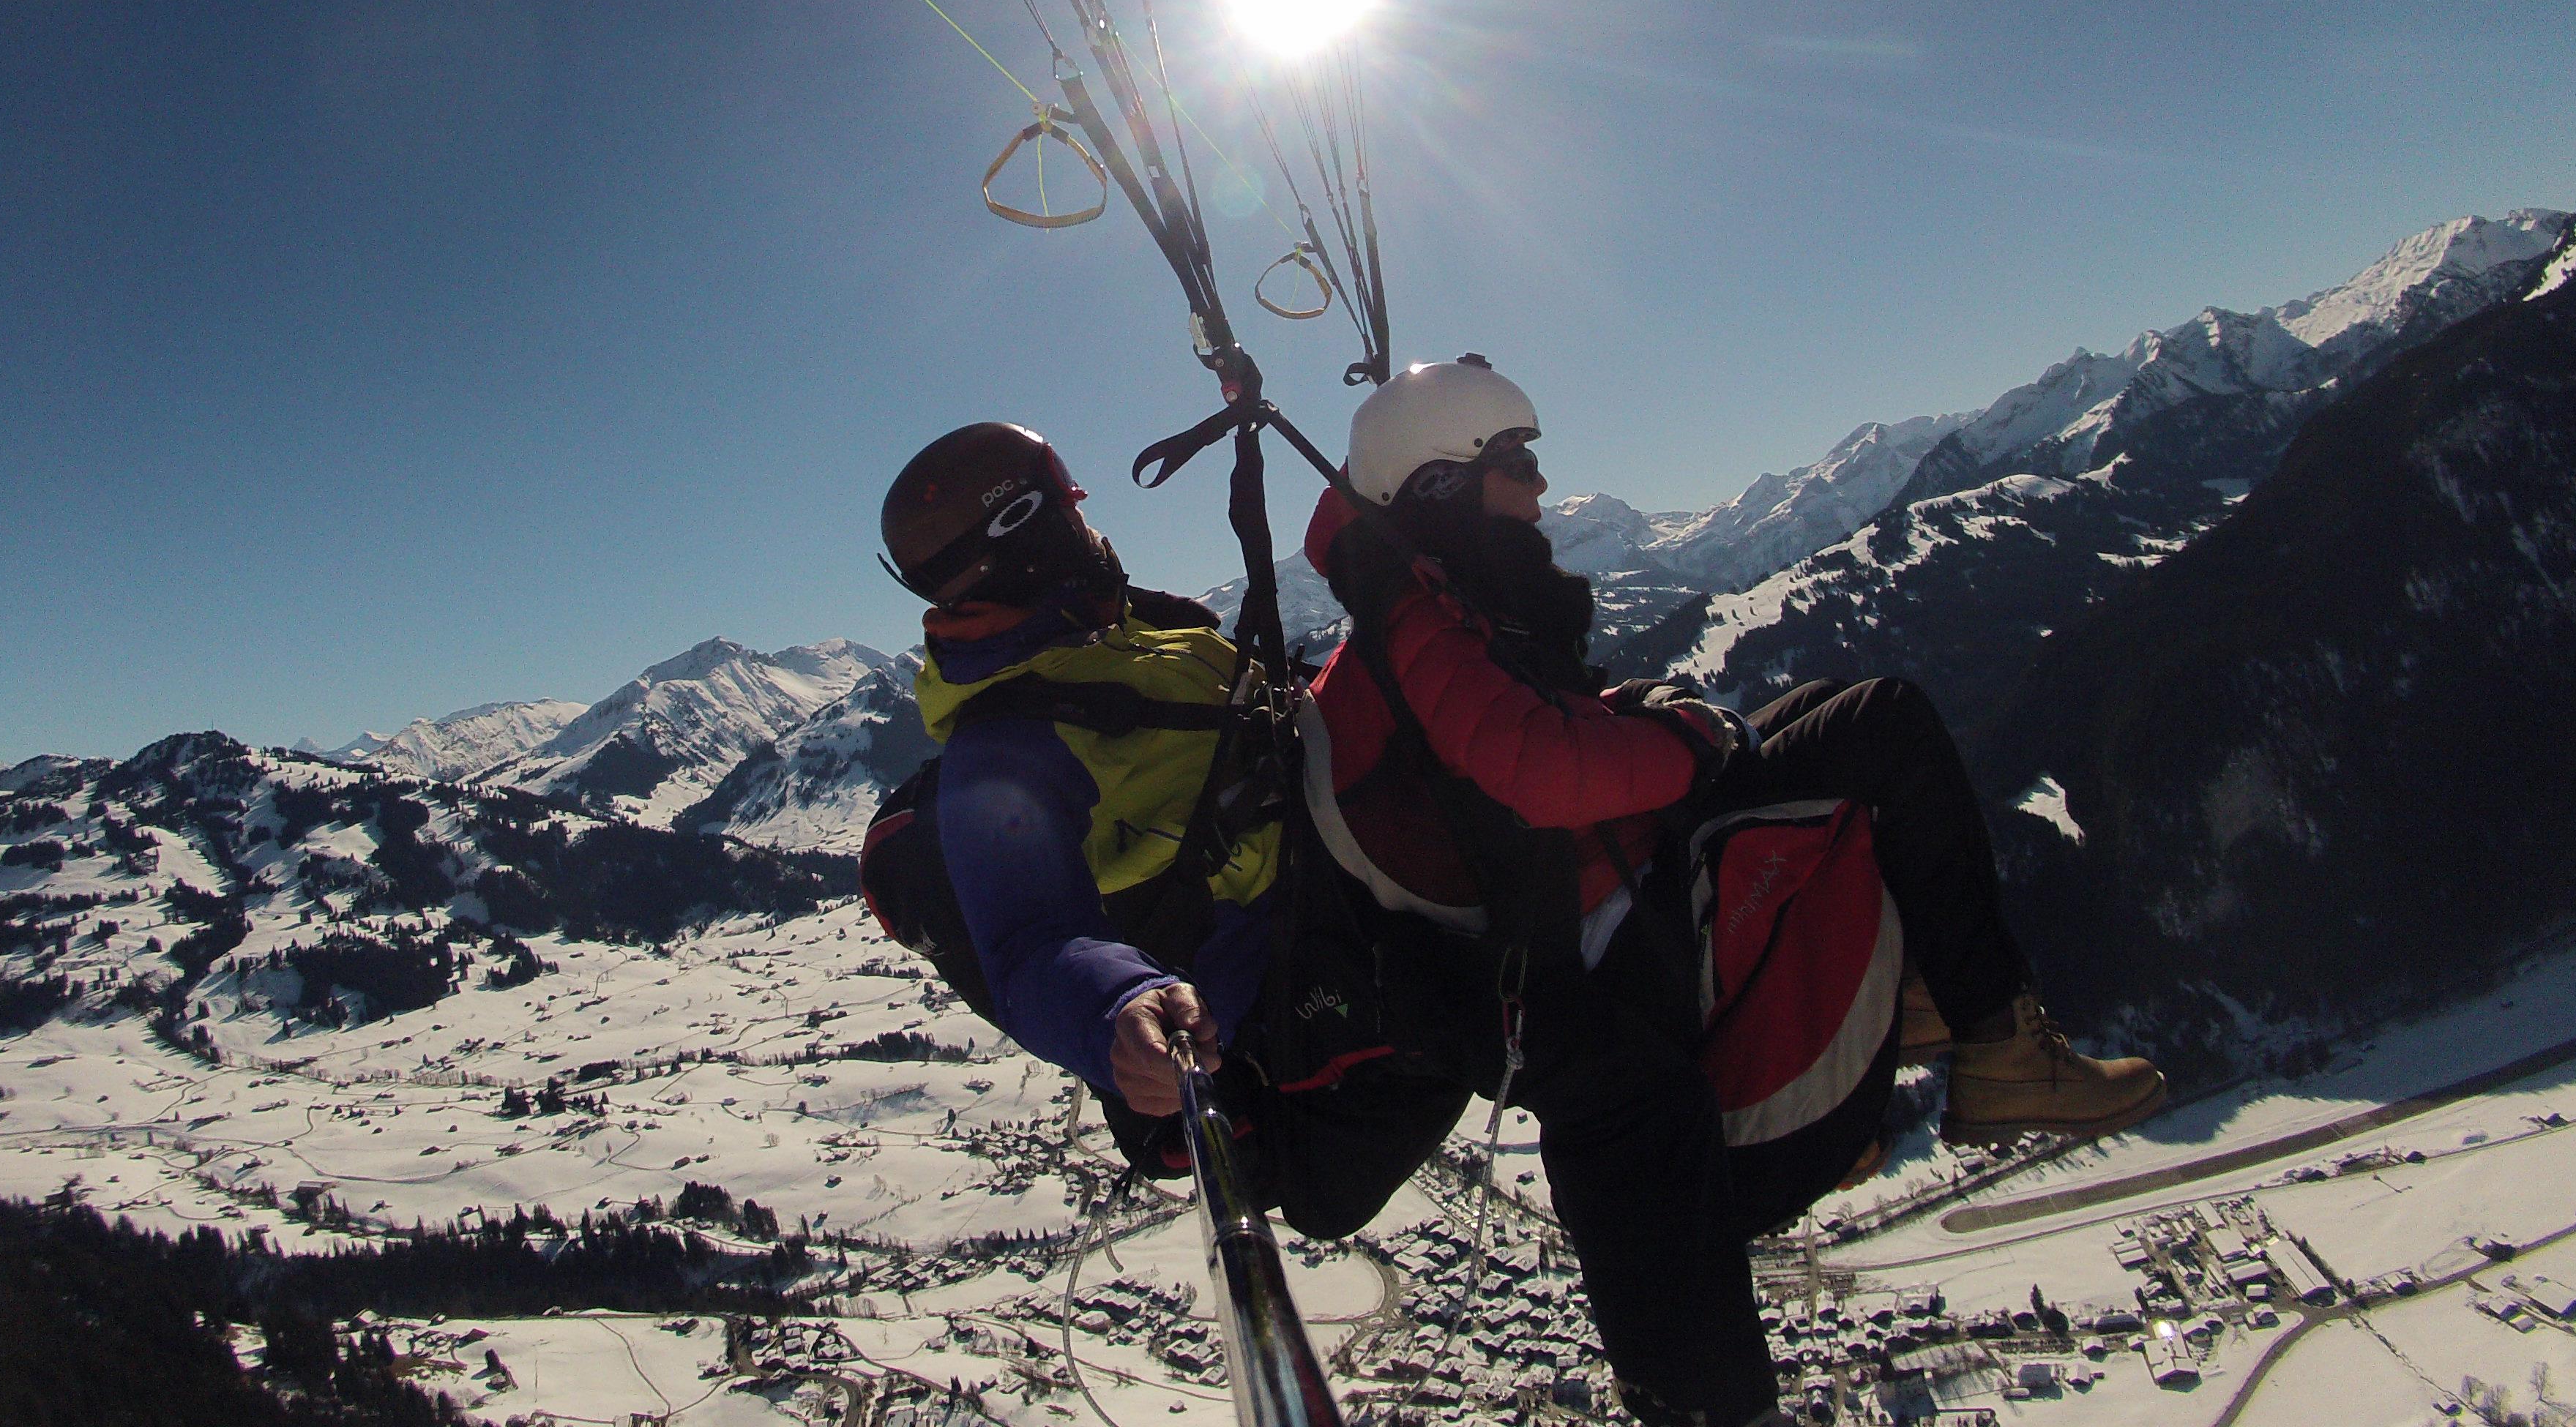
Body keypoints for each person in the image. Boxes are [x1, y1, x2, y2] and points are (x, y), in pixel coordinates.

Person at [1302, 355, 2165, 1427]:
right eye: (1515, 465)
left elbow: (1516, 724)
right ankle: (1985, 1045)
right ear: (1439, 484)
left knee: (1856, 724)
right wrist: (1682, 746)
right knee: (1875, 735)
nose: (1538, 487)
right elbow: (1534, 766)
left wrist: (1644, 711)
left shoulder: (1428, 595)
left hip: (1608, 865)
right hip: (1604, 909)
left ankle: (1967, 1026)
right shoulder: (1415, 621)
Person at [876, 422, 1476, 1237]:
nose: (1094, 527)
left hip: (1327, 861)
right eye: (1072, 510)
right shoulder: (1008, 749)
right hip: (1284, 971)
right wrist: (1119, 1006)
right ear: (1030, 534)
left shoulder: (1121, 633)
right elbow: (1028, 937)